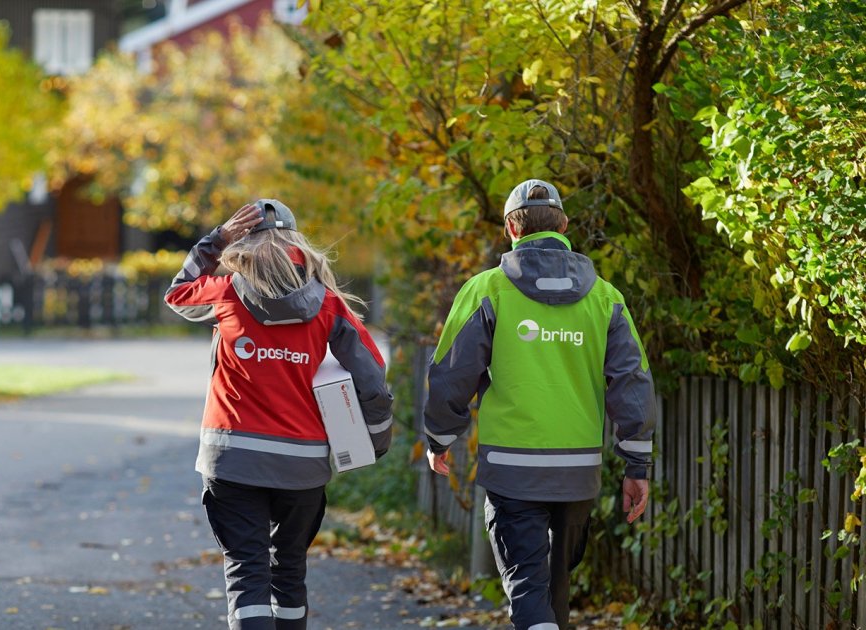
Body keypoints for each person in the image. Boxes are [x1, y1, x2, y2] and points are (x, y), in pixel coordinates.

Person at [423, 180, 656, 630]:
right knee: (555, 589)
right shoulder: (605, 298)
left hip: (512, 471)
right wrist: (637, 465)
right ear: (563, 226)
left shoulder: (487, 290)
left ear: (512, 228)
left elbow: (451, 373)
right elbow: (632, 382)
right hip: (578, 472)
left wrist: (439, 437)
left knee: (529, 590)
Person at [165, 200, 394, 630]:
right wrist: (376, 442)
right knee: (289, 570)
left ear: (245, 244)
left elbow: (178, 294)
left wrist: (217, 240)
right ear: (297, 244)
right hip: (302, 467)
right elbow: (373, 383)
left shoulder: (226, 293)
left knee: (247, 572)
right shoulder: (328, 305)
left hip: (231, 459)